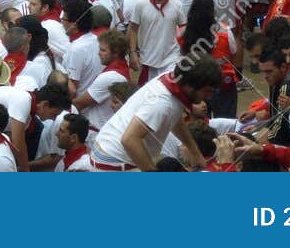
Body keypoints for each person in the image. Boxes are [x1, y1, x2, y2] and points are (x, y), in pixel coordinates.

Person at [87, 56, 223, 171]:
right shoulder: (162, 103)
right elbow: (129, 139)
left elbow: (174, 118)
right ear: (190, 86)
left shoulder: (174, 81)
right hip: (114, 161)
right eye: (207, 91)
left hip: (111, 151)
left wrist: (195, 151)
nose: (209, 97)